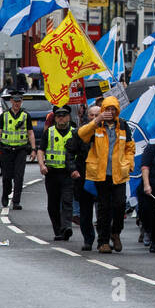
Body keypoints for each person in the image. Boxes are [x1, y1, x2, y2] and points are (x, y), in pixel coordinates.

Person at [76, 95, 135, 253]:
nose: (110, 112)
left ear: (117, 110)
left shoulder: (123, 125)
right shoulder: (97, 125)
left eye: (113, 109)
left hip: (119, 174)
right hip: (100, 174)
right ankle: (103, 241)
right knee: (103, 208)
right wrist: (97, 120)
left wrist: (129, 163)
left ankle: (115, 233)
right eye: (107, 109)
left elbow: (130, 147)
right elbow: (81, 135)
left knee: (120, 205)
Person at [37, 104, 76, 241]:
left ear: (68, 117)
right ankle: (58, 230)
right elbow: (41, 150)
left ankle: (66, 227)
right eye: (58, 116)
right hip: (52, 173)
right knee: (53, 204)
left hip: (68, 173)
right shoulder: (50, 132)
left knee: (67, 201)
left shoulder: (75, 131)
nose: (61, 118)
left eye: (64, 116)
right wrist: (42, 165)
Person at [0, 89, 35, 210]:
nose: (17, 103)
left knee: (19, 176)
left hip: (21, 150)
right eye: (15, 101)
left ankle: (16, 201)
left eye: (19, 101)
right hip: (6, 150)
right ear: (11, 101)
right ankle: (5, 193)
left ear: (21, 102)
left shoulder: (25, 115)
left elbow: (30, 133)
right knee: (6, 176)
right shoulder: (4, 116)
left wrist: (33, 149)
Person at [66, 104, 96, 251]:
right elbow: (70, 153)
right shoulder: (79, 133)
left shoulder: (107, 132)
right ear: (87, 116)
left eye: (98, 115)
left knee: (105, 210)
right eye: (92, 115)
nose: (95, 119)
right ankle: (88, 239)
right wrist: (73, 170)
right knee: (85, 212)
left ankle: (104, 239)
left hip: (103, 177)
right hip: (84, 176)